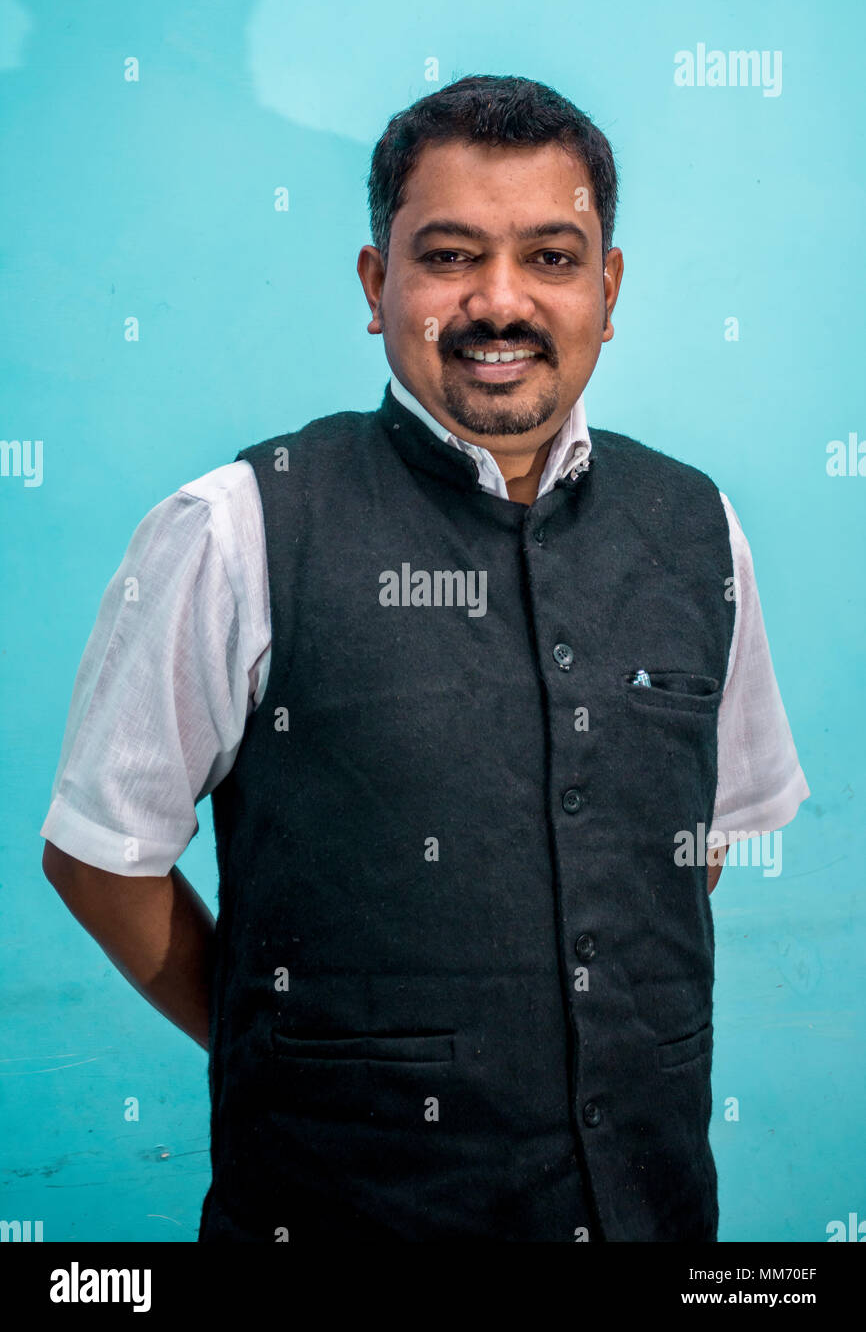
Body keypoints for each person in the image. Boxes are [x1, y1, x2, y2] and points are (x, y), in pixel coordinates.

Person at [41, 74, 809, 1242]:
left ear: (606, 291)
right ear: (375, 284)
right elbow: (100, 859)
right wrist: (289, 1040)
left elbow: (688, 851)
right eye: (448, 256)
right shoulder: (237, 527)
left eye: (551, 259)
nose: (498, 302)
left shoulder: (699, 527)